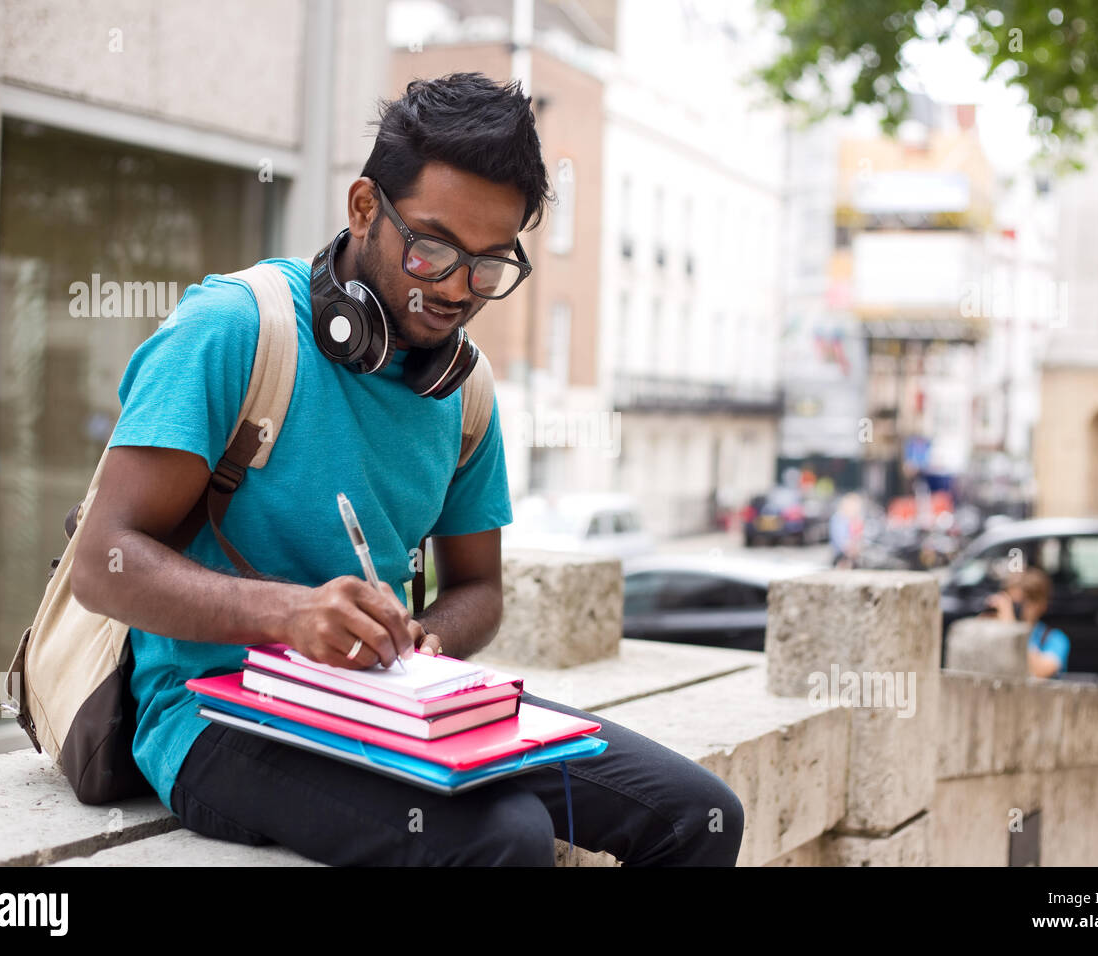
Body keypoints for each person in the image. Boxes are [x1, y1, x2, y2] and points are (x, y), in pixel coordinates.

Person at [70, 73, 743, 866]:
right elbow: (102, 562)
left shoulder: (464, 391)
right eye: (433, 249)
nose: (459, 288)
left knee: (698, 815)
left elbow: (480, 591)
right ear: (363, 208)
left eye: (490, 266)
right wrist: (291, 616)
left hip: (383, 701)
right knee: (506, 840)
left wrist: (421, 638)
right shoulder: (234, 330)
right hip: (214, 716)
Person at [986, 568, 1070, 678]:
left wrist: (1011, 629)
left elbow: (1040, 671)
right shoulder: (994, 633)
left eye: (1020, 604)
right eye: (1012, 604)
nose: (1015, 610)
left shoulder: (1055, 639)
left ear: (1041, 604)